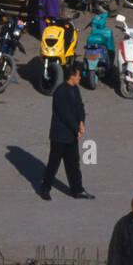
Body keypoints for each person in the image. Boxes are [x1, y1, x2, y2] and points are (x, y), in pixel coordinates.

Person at [38, 62, 94, 200]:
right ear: (72, 76)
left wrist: (81, 122)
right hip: (60, 135)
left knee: (73, 163)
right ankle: (45, 188)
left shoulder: (75, 89)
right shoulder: (61, 92)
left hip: (71, 134)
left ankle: (77, 190)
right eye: (78, 75)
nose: (80, 78)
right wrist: (77, 129)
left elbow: (80, 107)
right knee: (54, 163)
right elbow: (65, 115)